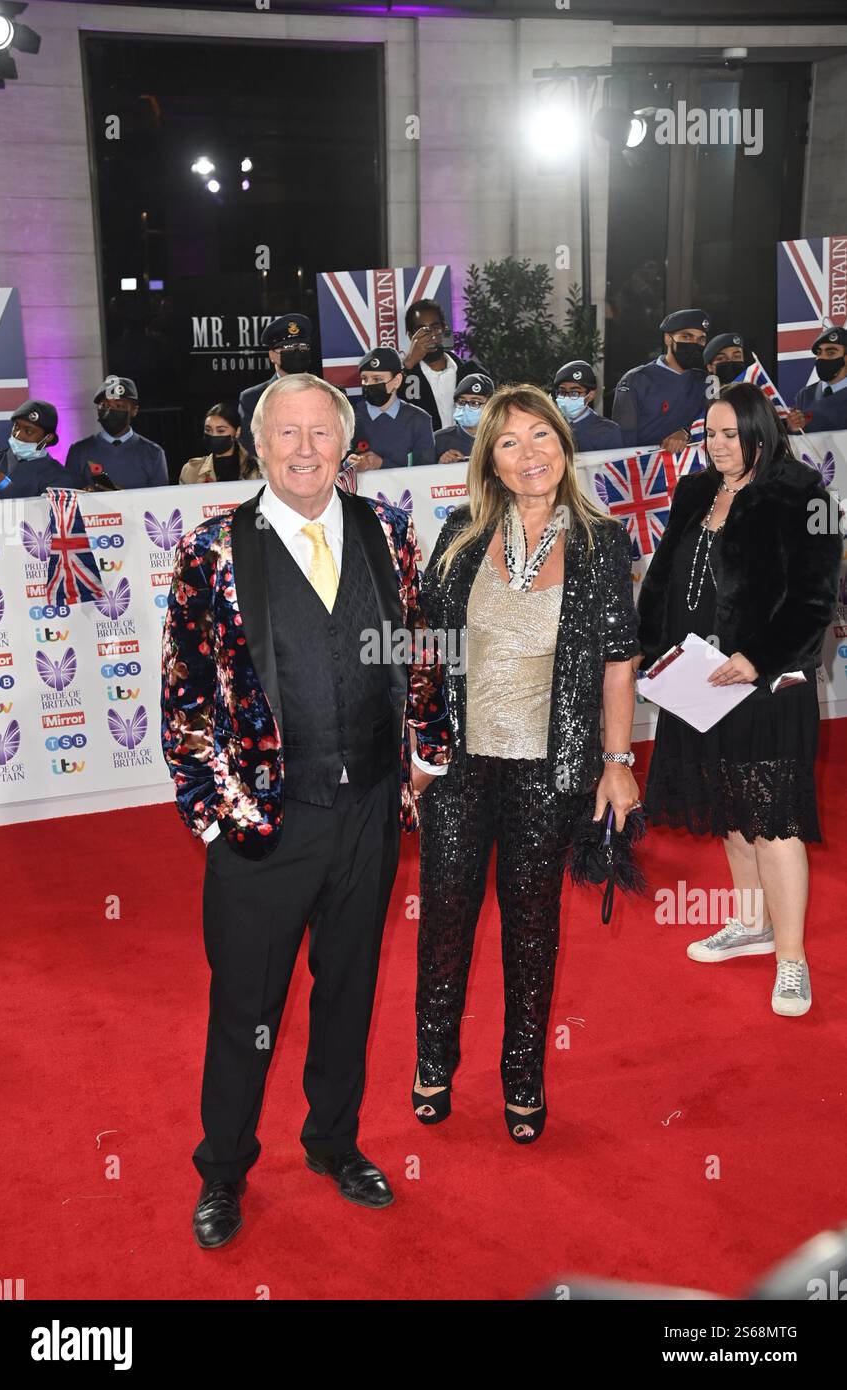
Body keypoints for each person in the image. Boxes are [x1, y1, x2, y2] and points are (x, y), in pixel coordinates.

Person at [161, 372, 451, 1248]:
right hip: (263, 824)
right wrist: (217, 813)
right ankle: (223, 1168)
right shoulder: (214, 551)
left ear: (344, 442)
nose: (304, 450)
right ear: (258, 444)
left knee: (350, 990)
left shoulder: (388, 533)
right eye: (285, 434)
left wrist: (426, 753)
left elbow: (423, 652)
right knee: (246, 1002)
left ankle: (332, 1141)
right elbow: (185, 695)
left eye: (320, 433)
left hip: (367, 808)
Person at [413, 384, 640, 1144]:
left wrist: (617, 761)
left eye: (541, 436)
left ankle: (522, 1074)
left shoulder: (602, 540)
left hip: (552, 765)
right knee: (444, 912)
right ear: (492, 462)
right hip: (460, 767)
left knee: (531, 925)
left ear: (564, 447)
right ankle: (433, 1062)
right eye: (509, 443)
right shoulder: (458, 534)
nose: (529, 453)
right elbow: (430, 650)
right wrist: (420, 748)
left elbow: (618, 660)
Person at [636, 383, 841, 1017]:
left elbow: (816, 599)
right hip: (695, 682)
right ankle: (750, 924)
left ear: (760, 432)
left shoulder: (801, 492)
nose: (718, 446)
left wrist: (759, 658)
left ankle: (791, 959)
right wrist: (649, 651)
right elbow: (667, 574)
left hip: (765, 686)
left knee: (774, 822)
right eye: (710, 434)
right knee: (730, 811)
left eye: (731, 435)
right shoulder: (695, 490)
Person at [611, 309, 710, 450]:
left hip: (692, 468)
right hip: (647, 468)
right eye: (686, 337)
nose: (694, 344)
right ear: (668, 339)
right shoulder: (636, 380)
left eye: (701, 339)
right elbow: (623, 440)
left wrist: (686, 432)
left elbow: (713, 422)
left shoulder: (706, 381)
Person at [65, 376, 168, 489]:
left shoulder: (153, 453)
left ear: (134, 410)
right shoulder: (79, 451)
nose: (110, 411)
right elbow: (68, 499)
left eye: (119, 405)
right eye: (104, 405)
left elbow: (160, 501)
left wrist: (121, 498)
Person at [400, 298, 483, 432]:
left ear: (445, 329)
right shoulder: (403, 379)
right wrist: (409, 363)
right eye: (422, 330)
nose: (431, 336)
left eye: (435, 327)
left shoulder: (472, 374)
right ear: (411, 337)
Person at [347, 347, 435, 470]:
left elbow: (426, 472)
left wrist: (381, 465)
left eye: (377, 379)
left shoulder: (418, 420)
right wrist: (348, 464)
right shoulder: (349, 417)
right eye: (364, 379)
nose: (369, 384)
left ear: (397, 381)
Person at [238, 313, 314, 455]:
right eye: (289, 348)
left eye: (302, 346)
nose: (297, 352)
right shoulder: (252, 399)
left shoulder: (331, 393)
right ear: (272, 355)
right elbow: (251, 443)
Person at [0, 400, 71, 498]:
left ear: (48, 437)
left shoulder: (58, 476)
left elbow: (42, 511)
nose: (18, 435)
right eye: (16, 427)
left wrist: (4, 485)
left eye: (28, 431)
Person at [179, 402, 261, 484]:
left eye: (221, 431)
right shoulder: (191, 471)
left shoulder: (257, 468)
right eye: (208, 430)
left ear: (237, 432)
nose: (213, 435)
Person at [786, 327, 847, 435]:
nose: (821, 358)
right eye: (819, 353)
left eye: (830, 353)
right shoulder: (804, 396)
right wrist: (793, 428)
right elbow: (797, 442)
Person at [551, 360, 622, 452]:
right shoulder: (551, 425)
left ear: (590, 395)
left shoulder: (608, 431)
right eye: (562, 392)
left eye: (574, 393)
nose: (566, 397)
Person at [434, 373, 494, 463]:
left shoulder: (502, 438)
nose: (466, 407)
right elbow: (418, 474)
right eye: (462, 402)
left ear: (491, 405)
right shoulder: (438, 440)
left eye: (475, 403)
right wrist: (440, 466)